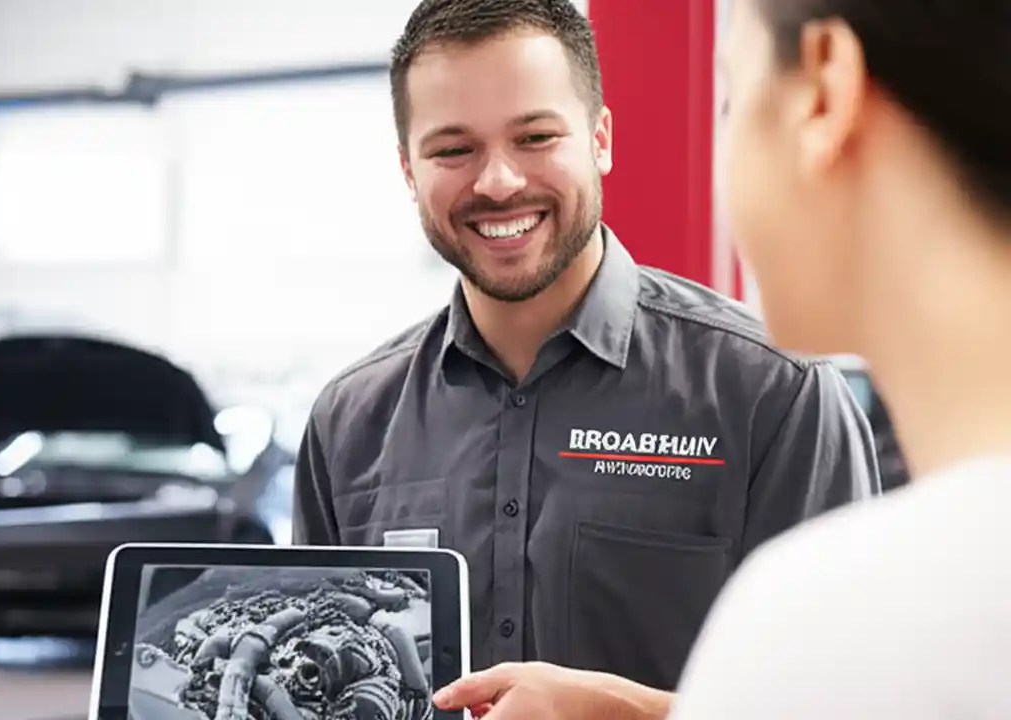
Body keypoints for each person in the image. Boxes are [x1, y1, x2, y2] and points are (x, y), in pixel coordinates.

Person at [433, 0, 1011, 718]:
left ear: (824, 93)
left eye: (731, 97)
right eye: (453, 149)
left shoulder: (865, 602)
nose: (497, 182)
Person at [293, 0, 880, 702]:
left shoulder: (773, 396)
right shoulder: (348, 425)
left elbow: (859, 701)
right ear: (407, 169)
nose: (499, 181)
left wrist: (625, 712)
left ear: (599, 139)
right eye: (453, 150)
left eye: (536, 137)